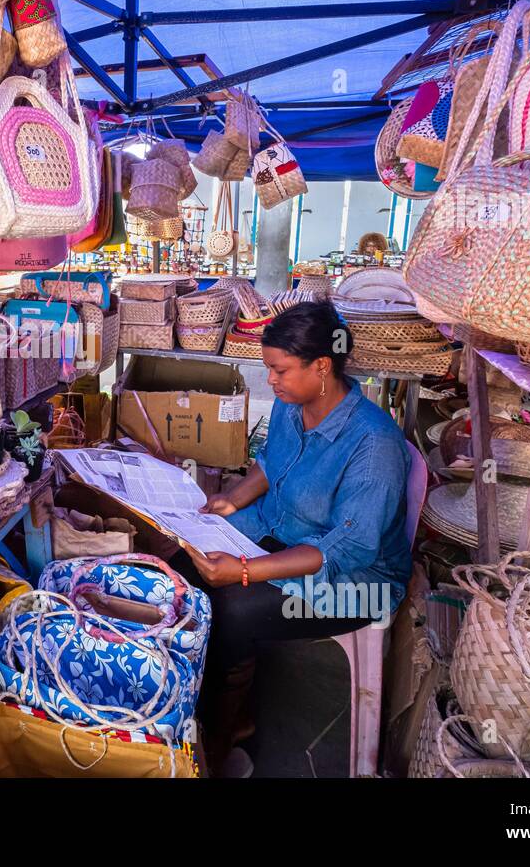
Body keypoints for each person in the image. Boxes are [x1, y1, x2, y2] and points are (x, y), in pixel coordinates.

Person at [172, 299, 413, 775]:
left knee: (231, 608)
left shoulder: (373, 444)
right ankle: (189, 697)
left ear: (321, 366)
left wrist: (244, 570)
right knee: (182, 567)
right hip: (285, 528)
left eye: (279, 370)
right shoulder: (292, 406)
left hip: (359, 581)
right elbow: (270, 463)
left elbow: (345, 549)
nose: (272, 382)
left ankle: (226, 729)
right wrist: (232, 501)